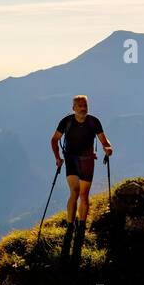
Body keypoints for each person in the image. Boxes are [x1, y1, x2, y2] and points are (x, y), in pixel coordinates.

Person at [50, 95, 113, 259]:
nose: (83, 108)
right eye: (79, 105)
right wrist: (58, 157)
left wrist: (108, 148)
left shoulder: (94, 122)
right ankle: (71, 225)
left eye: (84, 105)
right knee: (75, 191)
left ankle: (81, 225)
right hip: (71, 160)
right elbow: (54, 139)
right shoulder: (66, 122)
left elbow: (104, 141)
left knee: (84, 195)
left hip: (87, 162)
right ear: (73, 108)